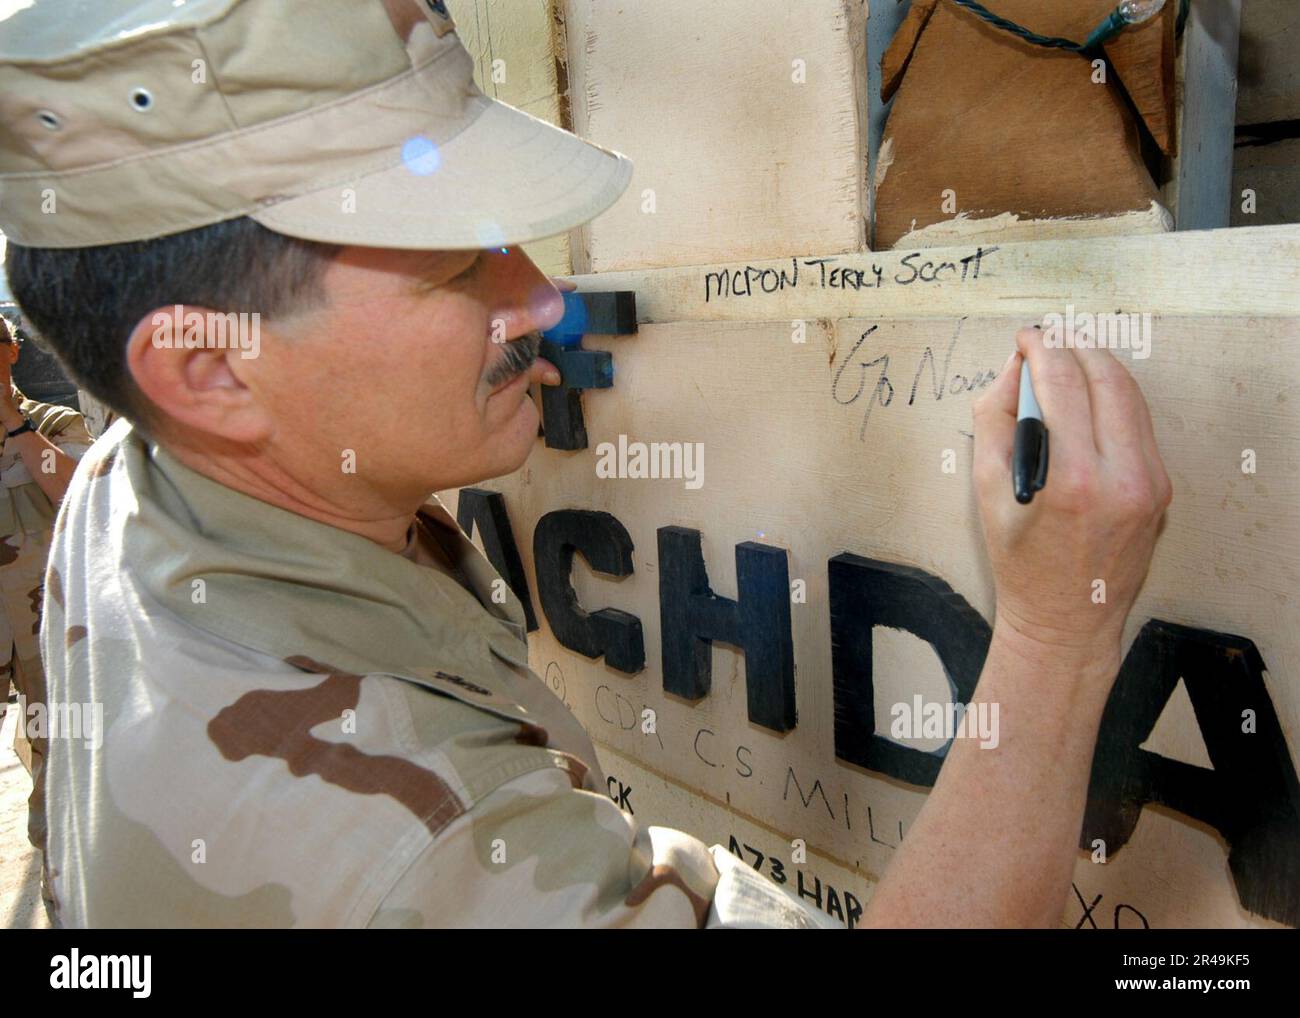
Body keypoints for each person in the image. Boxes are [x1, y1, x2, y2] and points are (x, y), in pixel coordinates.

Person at [0, 0, 1169, 928]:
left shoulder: (127, 482)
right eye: (457, 270)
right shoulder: (422, 860)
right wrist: (1056, 641)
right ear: (209, 372)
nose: (542, 298)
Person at [0, 314, 93, 854]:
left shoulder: (54, 424)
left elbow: (77, 495)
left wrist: (12, 421)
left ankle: (60, 875)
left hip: (43, 627)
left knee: (58, 749)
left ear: (12, 352)